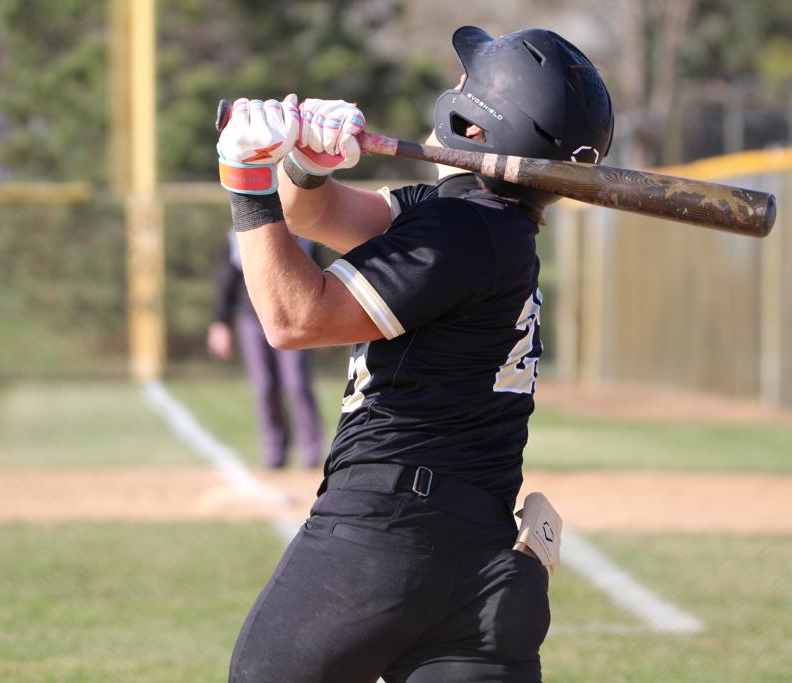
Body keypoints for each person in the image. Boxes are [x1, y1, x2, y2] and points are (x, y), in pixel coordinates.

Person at [215, 25, 614, 683]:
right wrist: (306, 166)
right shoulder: (480, 223)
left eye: (464, 85)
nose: (450, 88)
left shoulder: (463, 232)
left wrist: (243, 175)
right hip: (476, 566)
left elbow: (292, 318)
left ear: (476, 126)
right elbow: (313, 217)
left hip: (385, 539)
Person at [207, 230, 324, 468]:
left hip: (295, 320)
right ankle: (275, 450)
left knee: (297, 383)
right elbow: (228, 281)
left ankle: (311, 450)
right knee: (264, 385)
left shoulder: (307, 235)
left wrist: (322, 325)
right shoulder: (244, 233)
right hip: (253, 319)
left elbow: (322, 283)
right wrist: (221, 322)